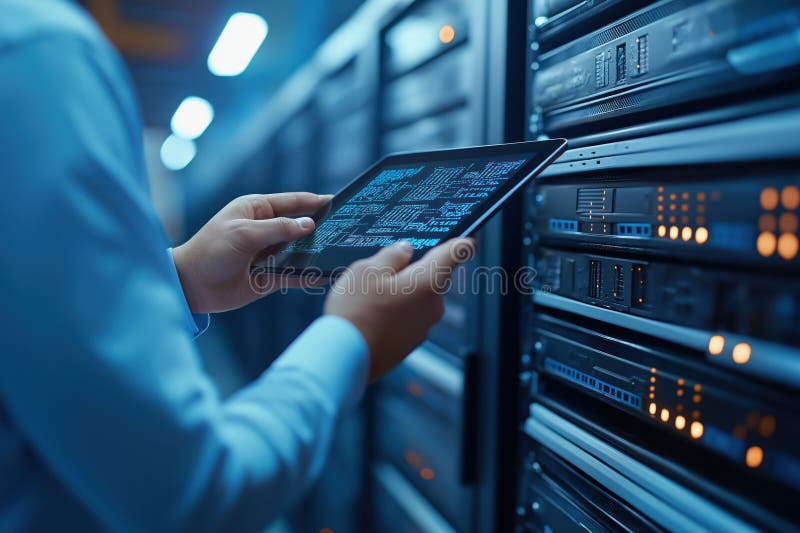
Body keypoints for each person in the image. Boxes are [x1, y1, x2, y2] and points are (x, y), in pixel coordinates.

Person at [0, 0, 474, 530]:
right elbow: (199, 496)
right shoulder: (37, 50)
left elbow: (26, 317)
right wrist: (354, 338)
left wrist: (180, 280)